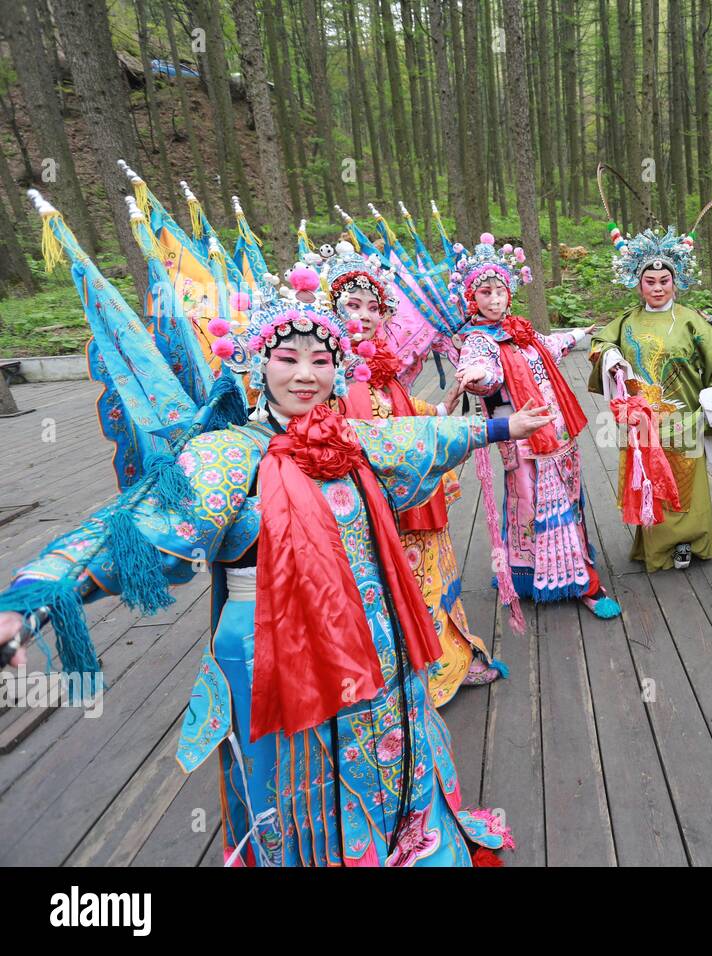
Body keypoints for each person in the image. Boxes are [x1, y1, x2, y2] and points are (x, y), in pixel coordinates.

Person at [0, 271, 552, 867]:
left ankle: (406, 844)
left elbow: (421, 435)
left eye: (321, 360)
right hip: (278, 651)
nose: (305, 375)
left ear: (339, 369)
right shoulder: (227, 454)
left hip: (379, 640)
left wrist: (501, 426)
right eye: (288, 359)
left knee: (393, 759)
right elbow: (133, 528)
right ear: (258, 367)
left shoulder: (351, 438)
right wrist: (28, 605)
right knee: (300, 792)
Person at [322, 241, 505, 702]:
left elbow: (401, 410)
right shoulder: (331, 374)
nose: (362, 316)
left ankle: (454, 659)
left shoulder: (379, 369)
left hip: (417, 497)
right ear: (333, 311)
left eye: (372, 307)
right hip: (381, 506)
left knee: (437, 578)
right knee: (405, 588)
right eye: (351, 306)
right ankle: (427, 677)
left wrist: (441, 407)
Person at [451, 234, 621, 618]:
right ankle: (571, 582)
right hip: (522, 438)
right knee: (529, 504)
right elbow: (488, 374)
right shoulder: (479, 341)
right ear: (472, 299)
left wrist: (581, 332)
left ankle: (566, 571)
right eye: (485, 293)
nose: (494, 300)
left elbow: (553, 344)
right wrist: (475, 372)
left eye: (500, 291)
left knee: (567, 500)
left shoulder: (522, 332)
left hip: (557, 432)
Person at [588, 226, 712, 571]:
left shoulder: (691, 320)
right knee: (650, 481)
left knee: (685, 482)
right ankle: (654, 544)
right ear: (638, 285)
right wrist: (610, 357)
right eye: (650, 281)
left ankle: (689, 542)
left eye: (663, 281)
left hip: (684, 416)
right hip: (641, 420)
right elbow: (600, 345)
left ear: (675, 282)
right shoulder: (626, 322)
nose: (657, 287)